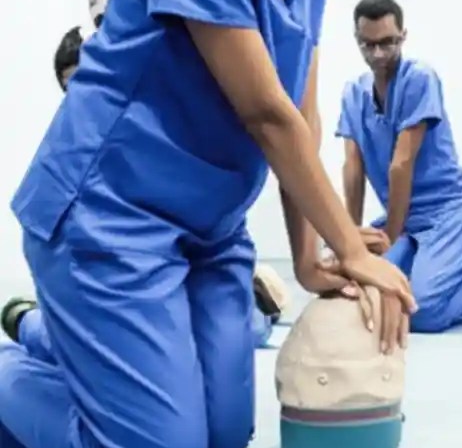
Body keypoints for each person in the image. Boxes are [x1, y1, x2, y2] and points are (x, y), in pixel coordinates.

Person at [0, 0, 419, 448]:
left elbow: (301, 117)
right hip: (109, 218)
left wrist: (316, 257)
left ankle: (51, 339)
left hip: (207, 230)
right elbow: (263, 114)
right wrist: (351, 247)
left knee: (222, 441)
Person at [9, 24, 289, 353]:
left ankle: (253, 305)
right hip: (107, 289)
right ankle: (27, 319)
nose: (84, 101)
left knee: (213, 342)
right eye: (73, 89)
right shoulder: (65, 160)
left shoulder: (166, 143)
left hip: (169, 280)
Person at [337, 0, 462, 333]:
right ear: (357, 41)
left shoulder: (420, 78)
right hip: (402, 219)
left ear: (403, 36)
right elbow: (353, 171)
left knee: (420, 310)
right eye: (368, 45)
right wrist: (349, 243)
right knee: (359, 293)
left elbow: (401, 164)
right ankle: (434, 265)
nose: (378, 54)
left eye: (387, 43)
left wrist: (392, 236)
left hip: (447, 214)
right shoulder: (353, 93)